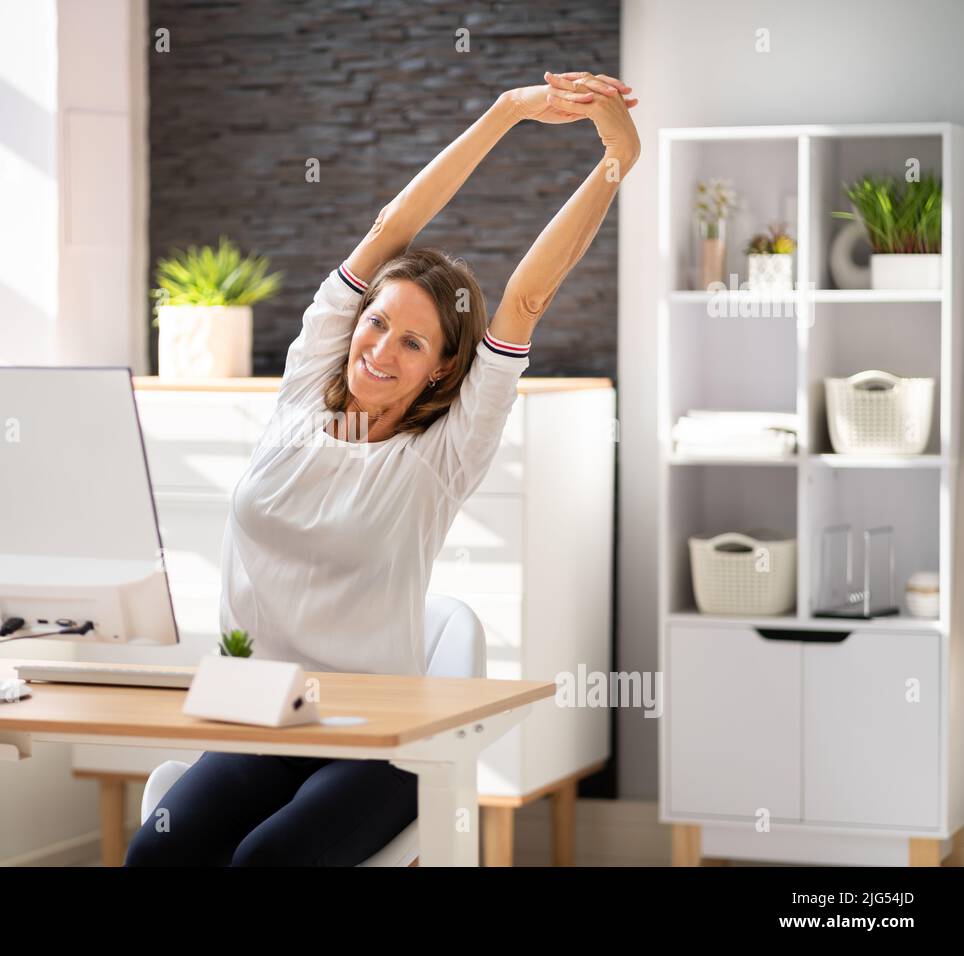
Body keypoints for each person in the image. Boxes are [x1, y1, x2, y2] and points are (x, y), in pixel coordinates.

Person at [125, 69, 640, 866]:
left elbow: (527, 299)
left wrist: (616, 158)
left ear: (441, 368)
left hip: (383, 740)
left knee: (266, 864)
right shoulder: (303, 390)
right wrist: (506, 111)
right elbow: (394, 224)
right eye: (376, 323)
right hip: (262, 715)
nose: (379, 349)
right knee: (156, 857)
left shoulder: (442, 455)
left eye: (412, 342)